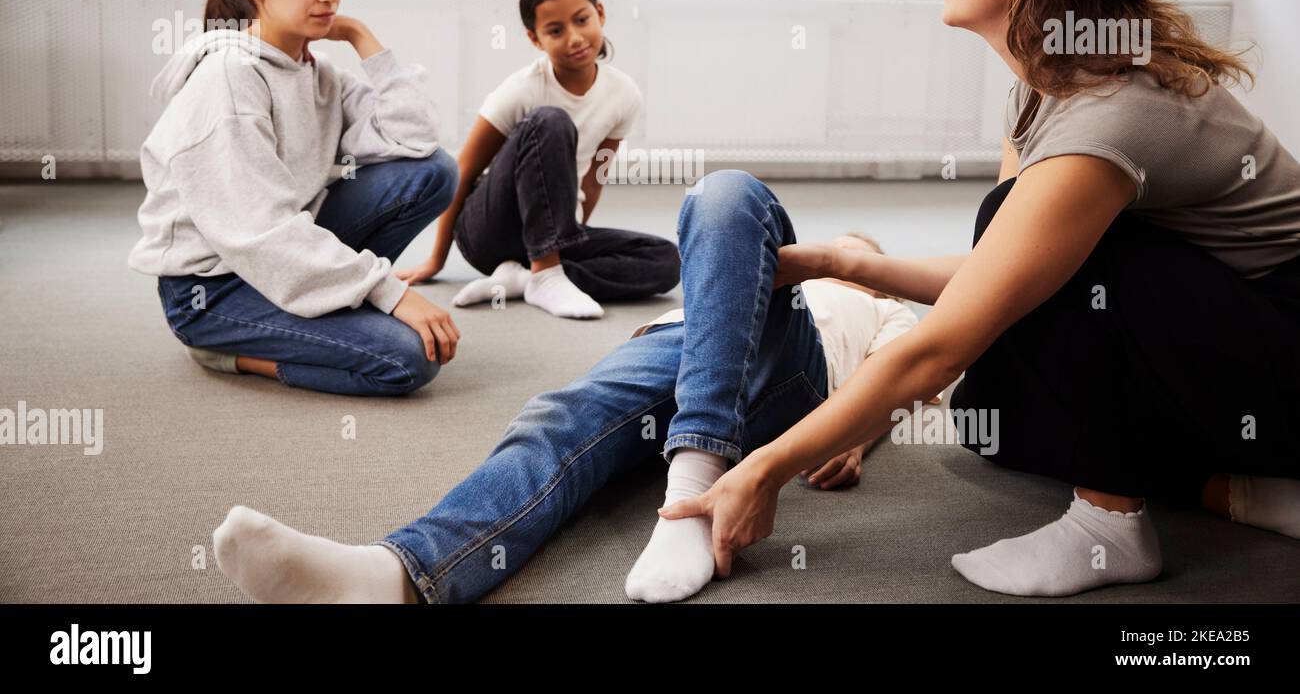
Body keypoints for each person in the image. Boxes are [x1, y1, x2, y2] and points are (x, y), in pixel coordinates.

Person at [657, 0, 1300, 598]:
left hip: (1284, 343)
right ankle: (1244, 489)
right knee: (992, 407)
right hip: (1229, 345)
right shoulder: (1048, 72)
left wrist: (766, 468)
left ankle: (1111, 526)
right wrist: (842, 263)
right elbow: (1006, 272)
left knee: (1017, 284)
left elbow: (949, 337)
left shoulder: (1110, 117)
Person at [209, 170, 920, 603]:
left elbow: (908, 370)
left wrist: (858, 434)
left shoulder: (877, 301)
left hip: (794, 371)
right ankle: (396, 575)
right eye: (845, 246)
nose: (849, 255)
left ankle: (690, 492)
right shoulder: (768, 264)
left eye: (864, 252)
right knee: (557, 418)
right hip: (677, 343)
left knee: (728, 189)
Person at [127, 0, 461, 397]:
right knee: (408, 359)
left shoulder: (319, 74)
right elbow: (259, 230)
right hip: (214, 289)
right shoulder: (229, 79)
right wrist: (387, 292)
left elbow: (413, 140)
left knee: (433, 172)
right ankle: (227, 352)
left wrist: (363, 38)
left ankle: (334, 301)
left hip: (277, 255)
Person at [397, 0, 680, 319]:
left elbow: (594, 178)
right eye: (556, 30)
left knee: (667, 261)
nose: (574, 38)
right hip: (489, 234)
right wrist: (435, 260)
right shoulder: (523, 88)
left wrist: (569, 234)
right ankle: (545, 273)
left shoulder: (624, 94)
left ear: (600, 13)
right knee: (551, 121)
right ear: (536, 39)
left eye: (582, 20)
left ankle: (527, 278)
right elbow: (463, 172)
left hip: (550, 229)